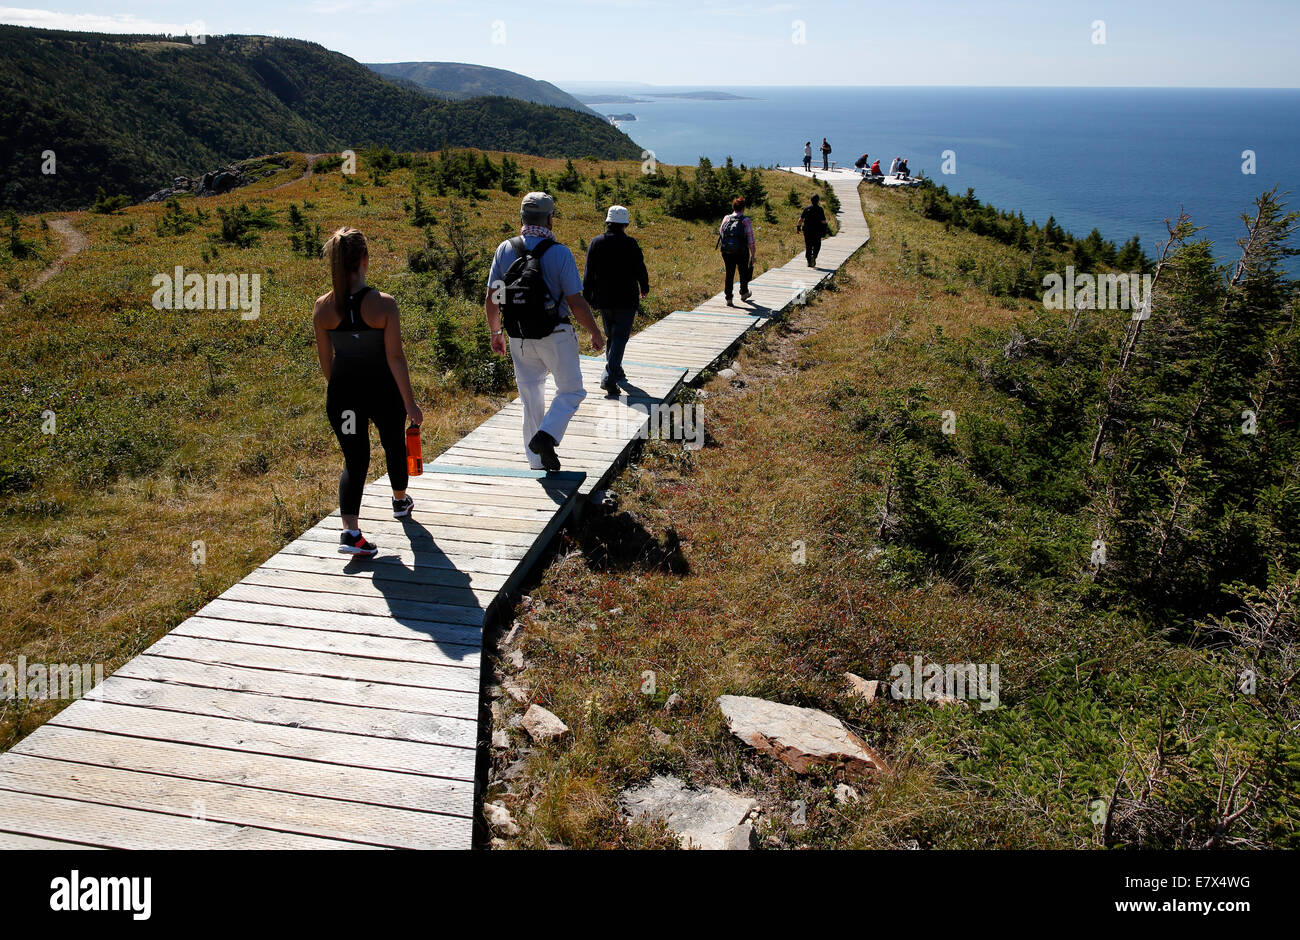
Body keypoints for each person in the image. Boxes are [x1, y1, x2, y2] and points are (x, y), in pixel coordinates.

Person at [313, 227, 423, 558]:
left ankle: (351, 532)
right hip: (383, 393)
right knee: (393, 442)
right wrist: (410, 402)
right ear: (364, 260)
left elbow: (326, 365)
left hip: (344, 397)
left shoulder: (322, 307)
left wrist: (348, 393)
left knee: (355, 459)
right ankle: (400, 501)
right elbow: (395, 358)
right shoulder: (383, 305)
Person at [485, 192, 604, 472]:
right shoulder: (559, 252)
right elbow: (576, 302)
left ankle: (537, 462)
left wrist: (495, 332)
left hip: (518, 336)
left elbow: (493, 297)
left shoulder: (504, 249)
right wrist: (595, 332)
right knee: (572, 390)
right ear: (550, 219)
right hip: (555, 334)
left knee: (531, 397)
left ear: (522, 218)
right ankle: (547, 436)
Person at [583, 205, 649, 393]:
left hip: (604, 299)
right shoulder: (631, 244)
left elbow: (589, 272)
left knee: (612, 335)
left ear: (608, 222)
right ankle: (609, 377)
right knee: (620, 337)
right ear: (625, 224)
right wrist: (644, 287)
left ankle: (616, 370)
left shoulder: (596, 243)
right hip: (626, 299)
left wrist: (587, 296)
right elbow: (640, 269)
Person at [718, 196, 756, 307]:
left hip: (727, 251)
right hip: (741, 251)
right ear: (743, 208)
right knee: (743, 272)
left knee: (729, 273)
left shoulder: (726, 218)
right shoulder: (745, 220)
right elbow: (750, 240)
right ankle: (744, 293)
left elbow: (721, 233)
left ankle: (729, 298)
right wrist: (753, 254)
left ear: (733, 207)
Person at [796, 193, 828, 267]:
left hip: (807, 231)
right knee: (817, 245)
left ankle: (809, 260)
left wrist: (798, 227)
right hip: (817, 231)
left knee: (808, 245)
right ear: (818, 201)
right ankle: (814, 256)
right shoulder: (820, 209)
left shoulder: (807, 209)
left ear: (811, 200)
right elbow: (823, 221)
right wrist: (825, 229)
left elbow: (800, 219)